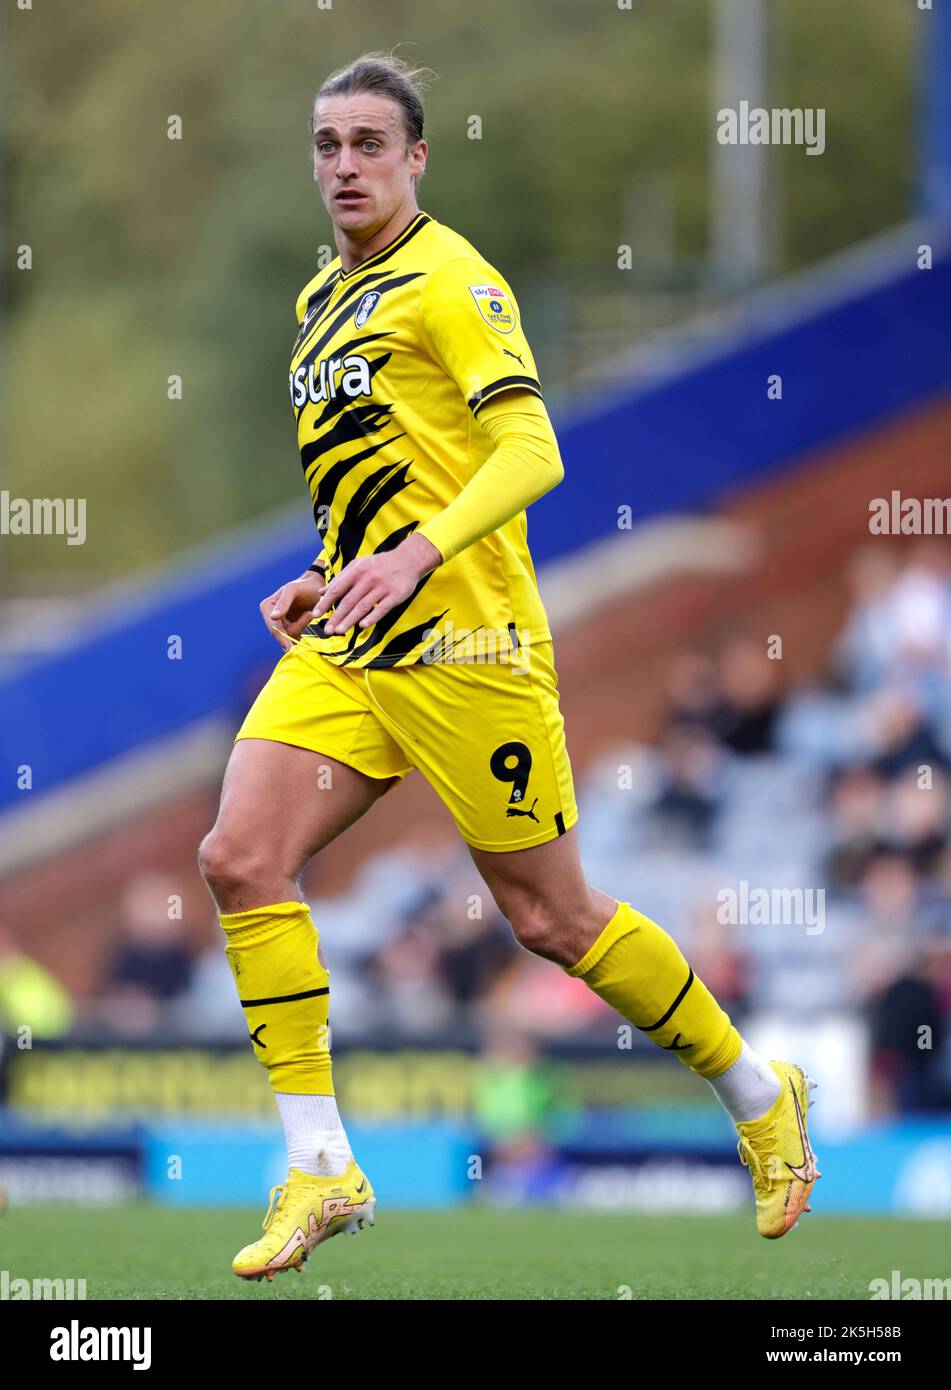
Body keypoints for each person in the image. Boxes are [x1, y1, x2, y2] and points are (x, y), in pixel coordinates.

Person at [198, 52, 819, 1283]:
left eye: (370, 143)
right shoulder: (326, 296)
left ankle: (760, 1091)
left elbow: (534, 450)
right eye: (327, 146)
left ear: (417, 157)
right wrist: (337, 568)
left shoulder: (453, 279)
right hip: (358, 641)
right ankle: (321, 1164)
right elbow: (388, 468)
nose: (345, 167)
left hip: (472, 646)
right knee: (236, 857)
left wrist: (418, 557)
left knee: (551, 917)